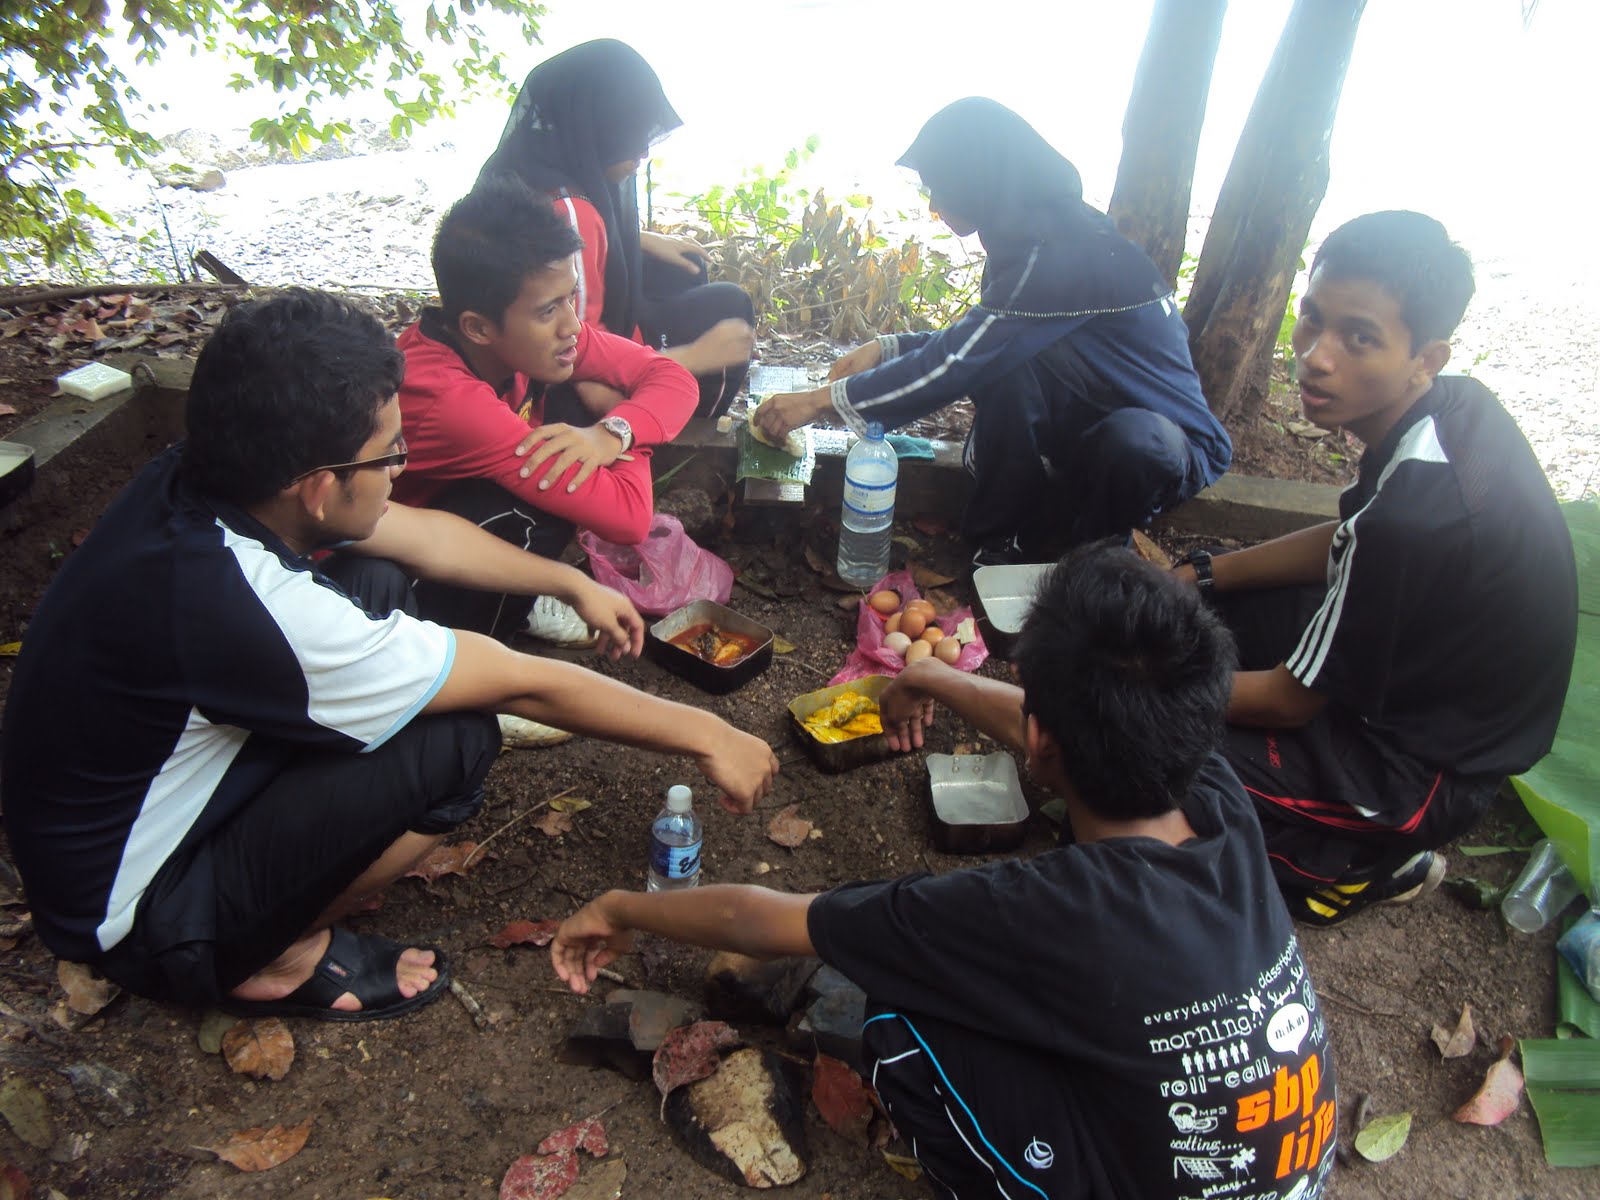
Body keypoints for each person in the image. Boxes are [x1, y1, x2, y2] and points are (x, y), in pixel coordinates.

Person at [0, 289, 779, 1023]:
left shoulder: (207, 478)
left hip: (98, 833)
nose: (402, 469)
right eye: (390, 454)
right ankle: (271, 955)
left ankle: (261, 906)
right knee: (455, 738)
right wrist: (709, 733)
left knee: (374, 579)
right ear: (318, 487)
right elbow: (519, 681)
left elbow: (425, 538)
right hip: (136, 917)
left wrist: (568, 582)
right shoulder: (256, 608)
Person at [552, 544, 1336, 1200]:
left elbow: (760, 920)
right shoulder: (1220, 799)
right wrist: (933, 679)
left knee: (896, 1023)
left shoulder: (1032, 907)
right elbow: (1051, 732)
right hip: (1293, 1173)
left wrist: (621, 906)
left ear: (1041, 740)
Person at [1173, 211, 1578, 927]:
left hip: (1423, 768)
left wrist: (1134, 687)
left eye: (1359, 337)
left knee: (1143, 751)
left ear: (1426, 356)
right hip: (1416, 669)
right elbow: (1350, 537)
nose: (1315, 357)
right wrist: (1202, 576)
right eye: (1312, 319)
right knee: (1189, 619)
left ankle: (1358, 867)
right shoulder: (1449, 410)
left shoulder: (1418, 516)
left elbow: (1290, 702)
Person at [754, 97, 1231, 569]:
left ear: (977, 181)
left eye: (940, 188)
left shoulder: (1062, 254)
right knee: (1007, 369)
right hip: (1093, 424)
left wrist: (819, 402)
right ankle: (1000, 541)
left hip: (1164, 447)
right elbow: (983, 342)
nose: (934, 205)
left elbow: (958, 362)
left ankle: (1092, 563)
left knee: (1135, 443)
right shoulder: (1032, 237)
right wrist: (887, 348)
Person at [394, 176, 698, 653]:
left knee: (564, 433)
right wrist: (623, 418)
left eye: (570, 297)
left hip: (445, 525)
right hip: (381, 580)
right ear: (478, 327)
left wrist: (614, 433)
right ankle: (471, 656)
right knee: (540, 502)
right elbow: (628, 518)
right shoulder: (450, 401)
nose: (572, 325)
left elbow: (673, 379)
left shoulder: (524, 340)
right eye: (548, 310)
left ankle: (516, 605)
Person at [480, 38, 755, 418]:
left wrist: (640, 239)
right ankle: (683, 416)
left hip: (559, 338)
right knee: (731, 307)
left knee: (684, 266)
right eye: (629, 136)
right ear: (597, 128)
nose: (642, 152)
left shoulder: (534, 163)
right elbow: (573, 347)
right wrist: (690, 358)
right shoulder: (571, 211)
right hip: (568, 382)